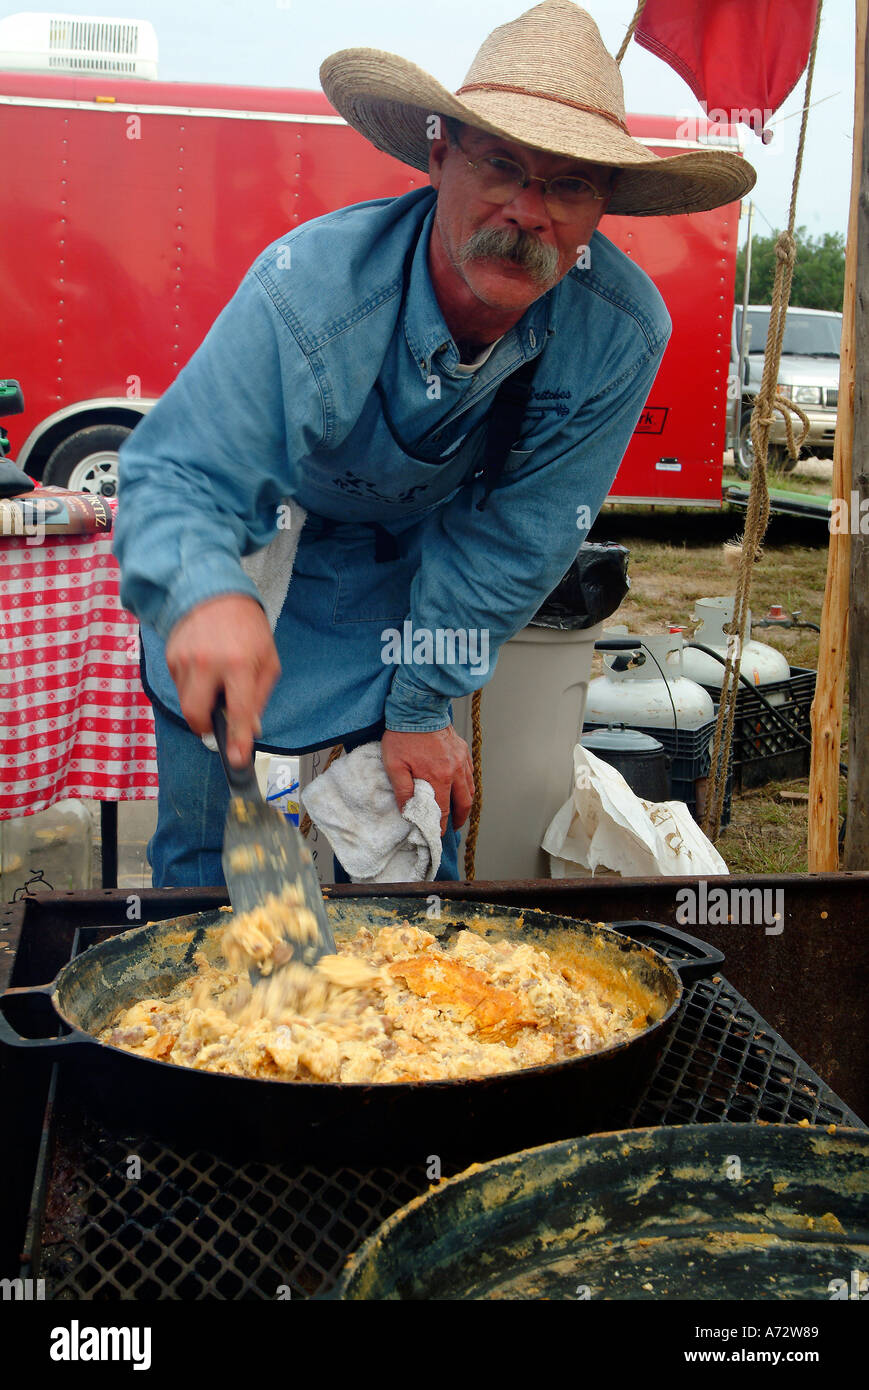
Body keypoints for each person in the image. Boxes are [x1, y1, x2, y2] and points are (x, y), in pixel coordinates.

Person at [114, 0, 755, 887]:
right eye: (501, 165)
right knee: (204, 841)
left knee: (418, 838)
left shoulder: (618, 330)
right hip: (263, 544)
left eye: (568, 185)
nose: (528, 212)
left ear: (600, 208)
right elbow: (180, 472)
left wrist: (419, 705)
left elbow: (517, 536)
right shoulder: (314, 291)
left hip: (421, 571)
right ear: (438, 155)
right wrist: (203, 592)